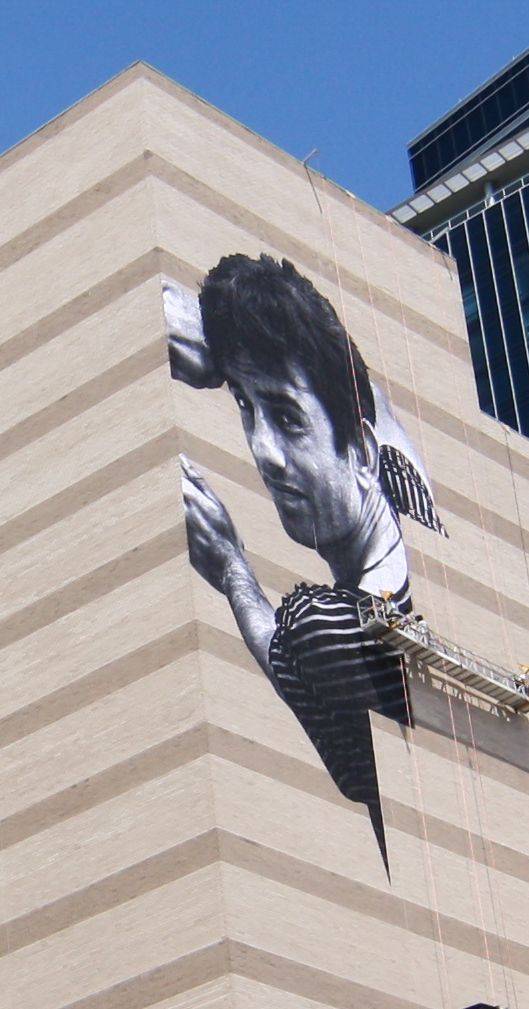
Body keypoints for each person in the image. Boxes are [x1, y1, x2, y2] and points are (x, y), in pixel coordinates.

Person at [168, 253, 445, 871]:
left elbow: (306, 649)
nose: (263, 452)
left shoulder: (327, 625)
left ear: (365, 454)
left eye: (288, 419)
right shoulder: (407, 505)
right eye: (247, 409)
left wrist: (235, 572)